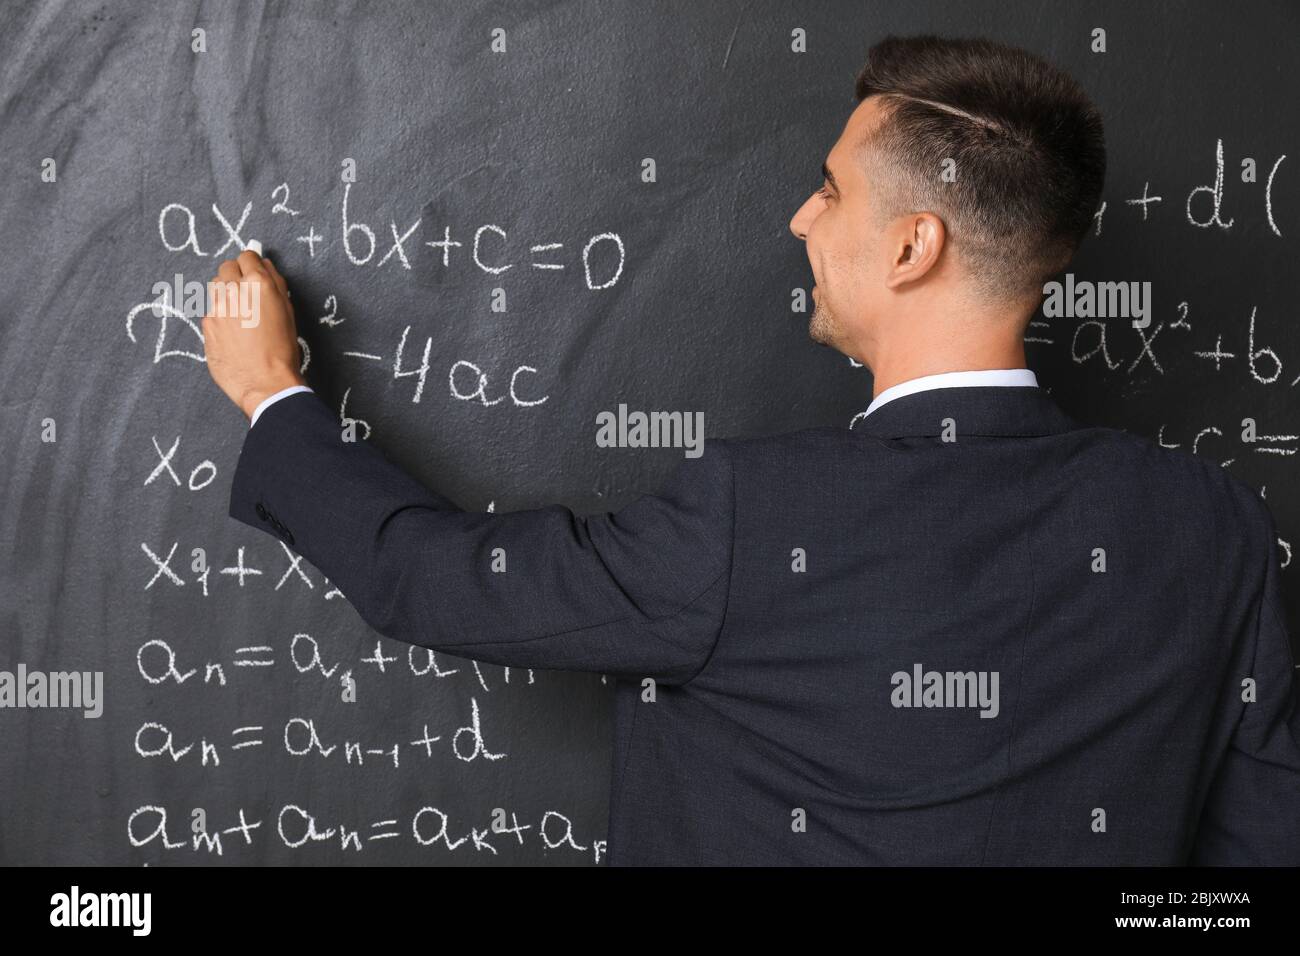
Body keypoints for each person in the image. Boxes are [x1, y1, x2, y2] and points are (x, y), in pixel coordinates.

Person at [202, 35, 1300, 865]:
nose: (799, 219)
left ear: (914, 245)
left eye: (830, 188)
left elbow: (438, 581)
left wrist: (271, 394)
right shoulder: (1213, 524)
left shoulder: (755, 518)